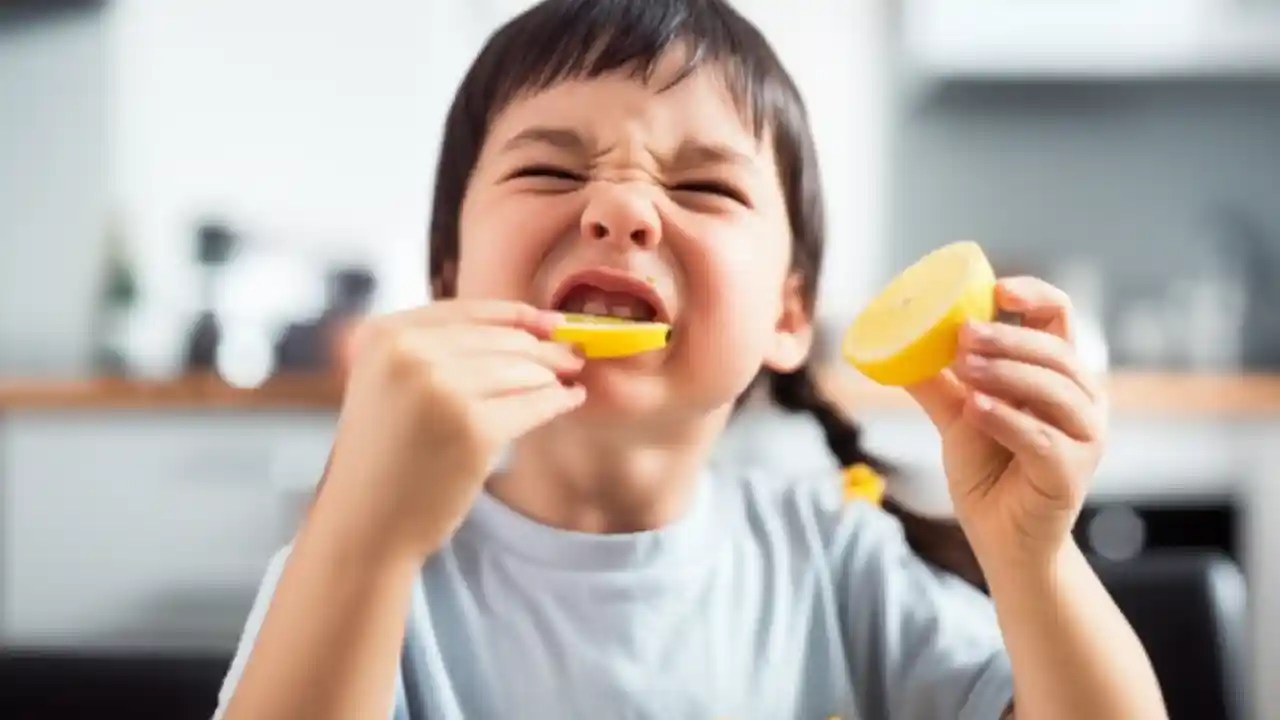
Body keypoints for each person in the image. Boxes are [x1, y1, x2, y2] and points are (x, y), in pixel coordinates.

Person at [214, 1, 1166, 718]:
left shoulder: (839, 566)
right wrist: (361, 535)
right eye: (549, 170)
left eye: (704, 186)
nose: (622, 209)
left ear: (788, 315)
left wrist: (1032, 559)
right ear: (451, 278)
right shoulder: (362, 574)